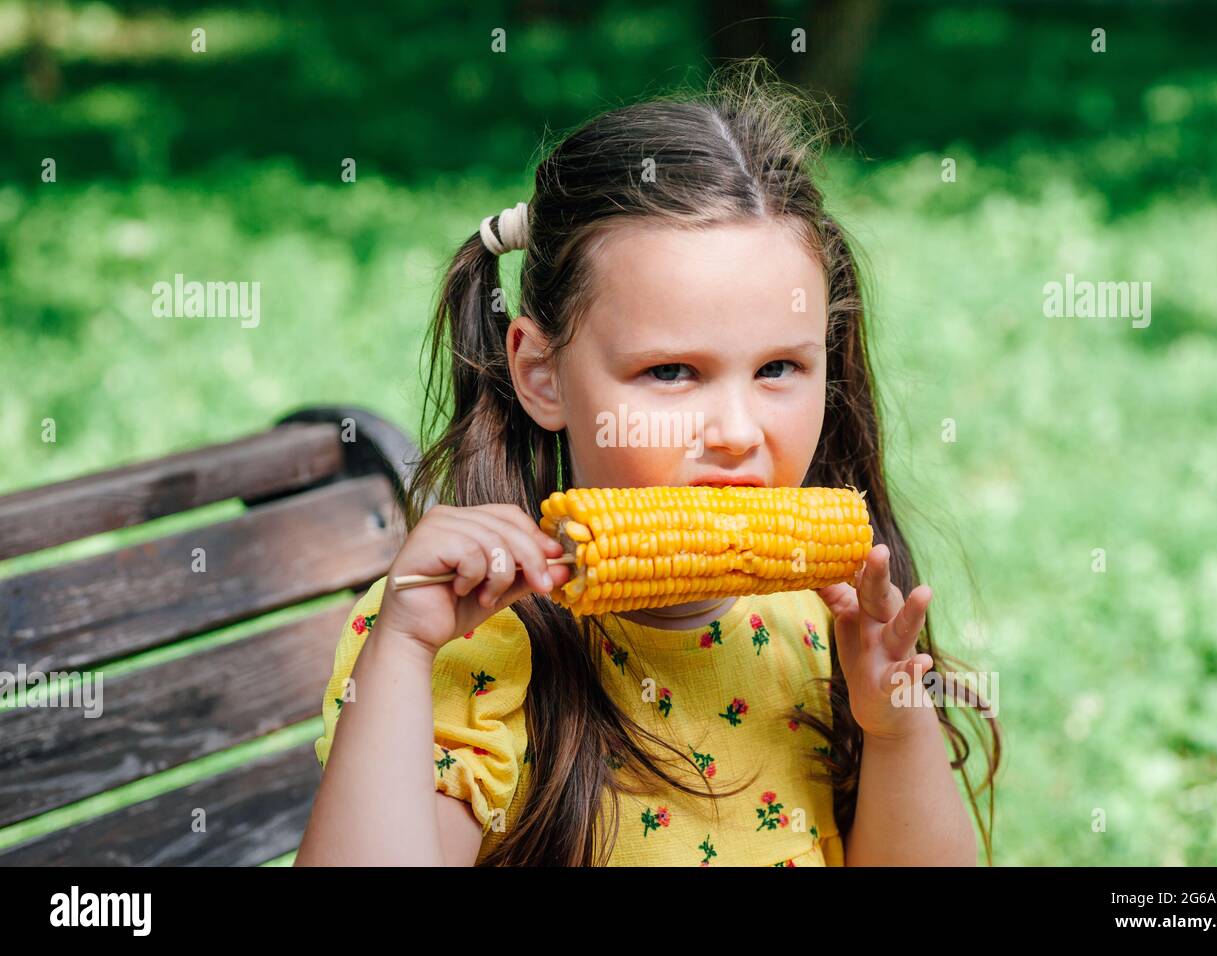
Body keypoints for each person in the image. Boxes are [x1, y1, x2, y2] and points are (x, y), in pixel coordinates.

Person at [296, 58, 999, 867]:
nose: (736, 431)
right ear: (541, 374)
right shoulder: (476, 646)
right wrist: (403, 655)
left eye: (780, 369)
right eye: (671, 372)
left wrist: (895, 722)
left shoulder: (818, 622)